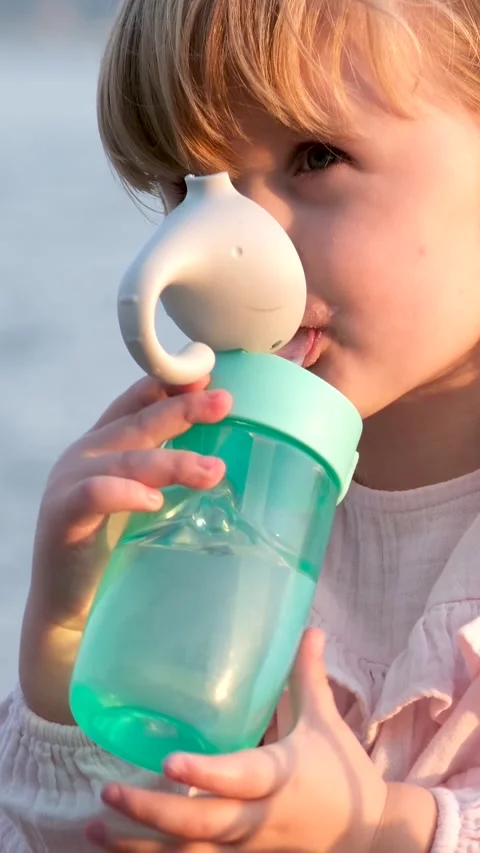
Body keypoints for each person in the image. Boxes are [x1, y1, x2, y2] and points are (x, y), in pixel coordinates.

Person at [3, 0, 480, 849]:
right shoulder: (203, 493)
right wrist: (66, 641)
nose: (232, 254)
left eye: (316, 157)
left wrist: (376, 827)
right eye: (187, 190)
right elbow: (104, 833)